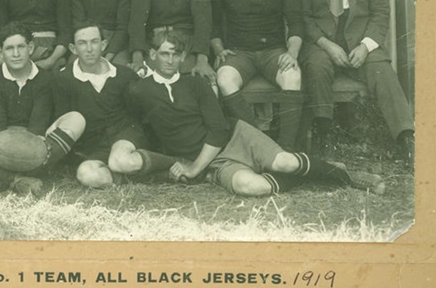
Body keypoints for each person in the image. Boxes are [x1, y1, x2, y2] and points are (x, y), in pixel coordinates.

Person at [127, 28, 384, 196]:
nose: (170, 60)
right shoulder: (141, 91)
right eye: (164, 54)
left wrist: (194, 168)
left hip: (235, 137)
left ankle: (346, 175)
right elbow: (143, 132)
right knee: (250, 186)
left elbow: (218, 129)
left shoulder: (195, 83)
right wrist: (178, 163)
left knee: (284, 161)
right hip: (216, 163)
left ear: (184, 57)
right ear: (152, 55)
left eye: (176, 55)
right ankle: (308, 174)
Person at [296, 0, 415, 167]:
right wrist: (326, 44)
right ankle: (324, 134)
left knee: (381, 69)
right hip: (322, 42)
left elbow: (381, 12)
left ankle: (406, 138)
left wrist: (366, 45)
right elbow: (304, 18)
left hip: (361, 41)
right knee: (317, 67)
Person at [0, 22, 82, 195]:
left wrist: (36, 145)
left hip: (34, 140)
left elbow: (38, 124)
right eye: (10, 48)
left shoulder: (46, 79)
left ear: (31, 48)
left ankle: (1, 178)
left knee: (76, 118)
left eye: (21, 47)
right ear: (1, 52)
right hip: (1, 141)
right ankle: (15, 180)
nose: (16, 54)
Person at [211, 0, 304, 149]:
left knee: (292, 76)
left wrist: (292, 54)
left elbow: (296, 22)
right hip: (239, 52)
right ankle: (260, 146)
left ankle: (287, 149)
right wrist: (218, 49)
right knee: (224, 78)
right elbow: (213, 26)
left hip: (274, 51)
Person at [52, 23, 159, 189]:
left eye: (94, 42)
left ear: (103, 45)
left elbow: (138, 114)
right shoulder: (63, 80)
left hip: (125, 136)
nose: (89, 49)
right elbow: (64, 119)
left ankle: (171, 164)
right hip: (94, 146)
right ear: (73, 48)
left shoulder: (123, 74)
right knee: (87, 174)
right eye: (82, 43)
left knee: (121, 159)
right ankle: (131, 176)